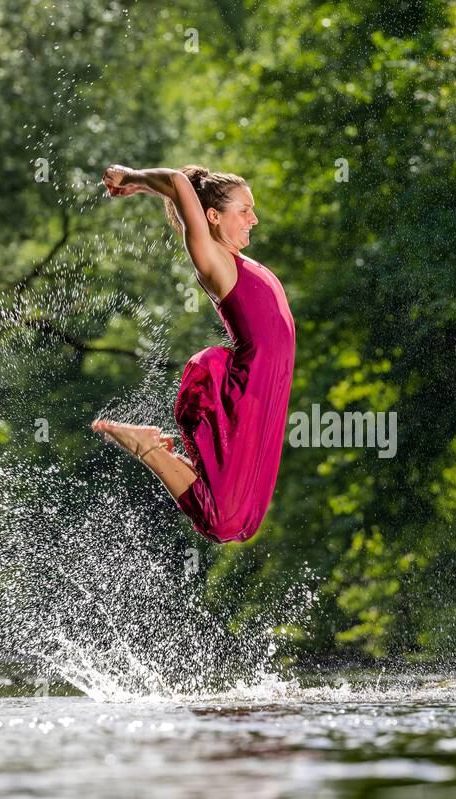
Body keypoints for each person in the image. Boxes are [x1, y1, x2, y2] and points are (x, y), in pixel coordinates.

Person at [92, 164, 297, 543]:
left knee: (237, 514)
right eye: (244, 210)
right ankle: (147, 448)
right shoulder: (213, 259)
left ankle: (151, 447)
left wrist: (152, 191)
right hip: (248, 388)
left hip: (270, 388)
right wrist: (131, 177)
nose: (254, 218)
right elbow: (176, 182)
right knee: (225, 520)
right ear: (214, 217)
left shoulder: (237, 258)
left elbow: (179, 191)